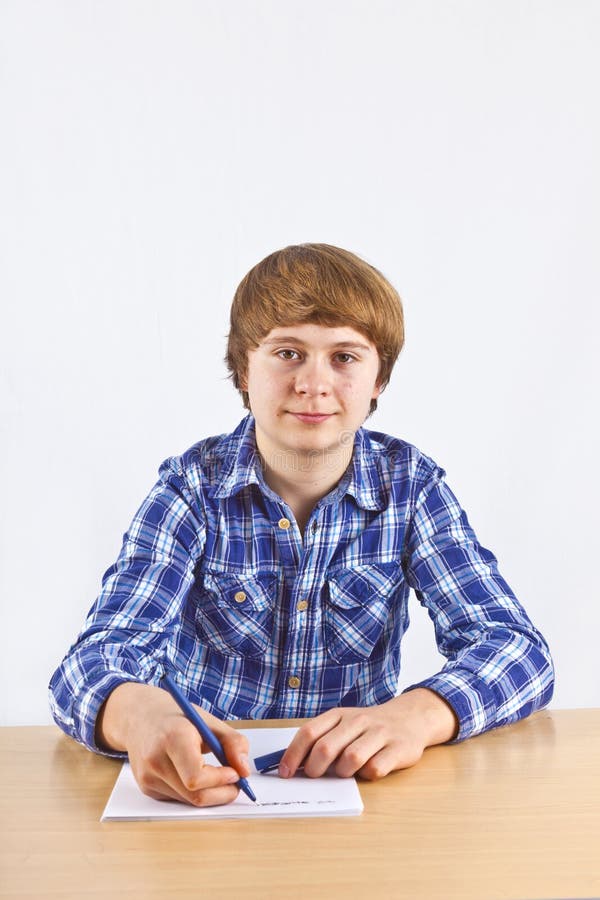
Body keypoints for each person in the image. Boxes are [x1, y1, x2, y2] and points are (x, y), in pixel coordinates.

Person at [49, 243, 554, 808]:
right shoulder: (190, 488)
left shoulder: (411, 487)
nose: (313, 384)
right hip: (206, 794)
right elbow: (90, 664)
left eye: (345, 357)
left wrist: (416, 715)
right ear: (244, 369)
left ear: (379, 378)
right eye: (288, 353)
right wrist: (140, 714)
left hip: (360, 794)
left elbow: (517, 650)